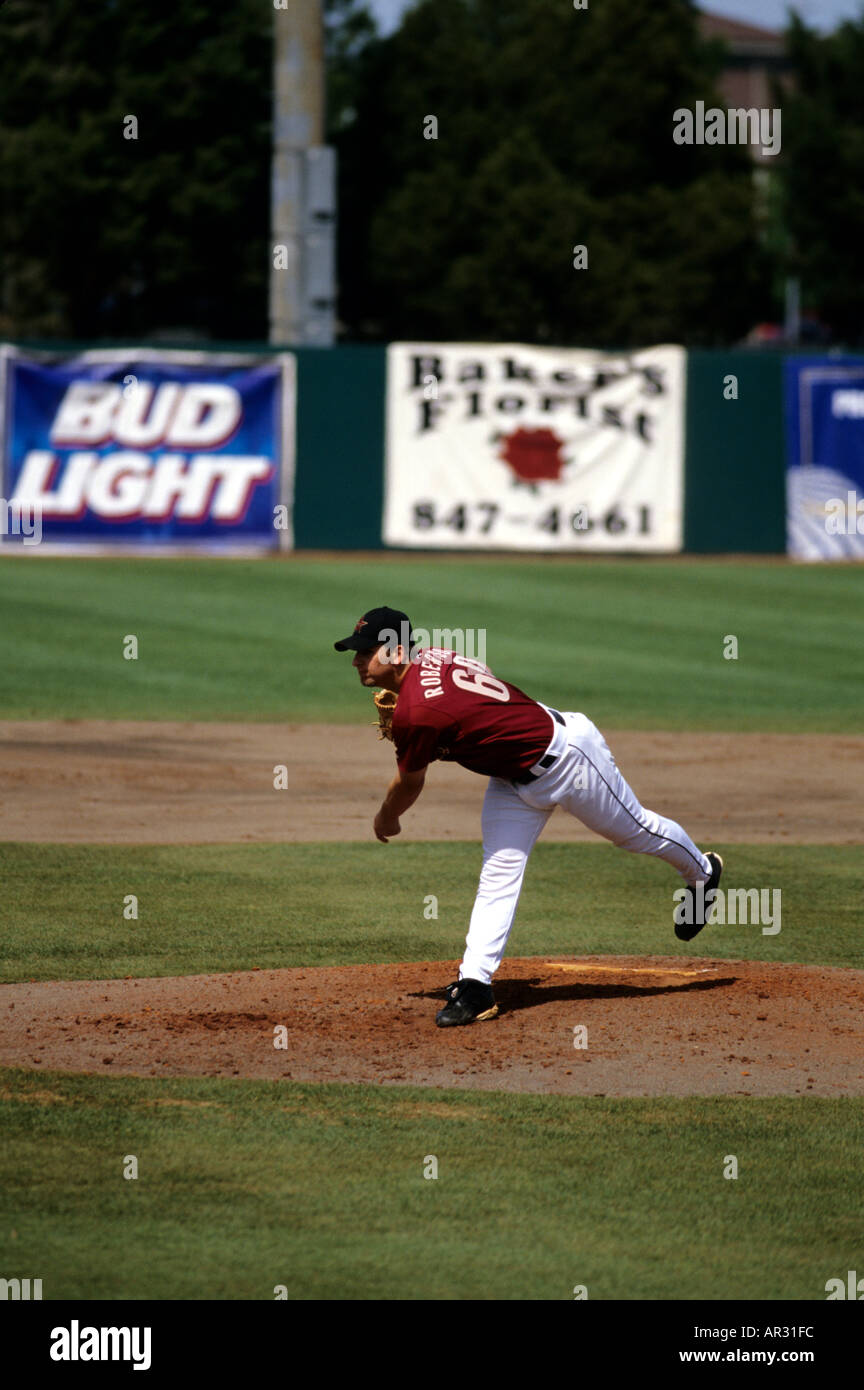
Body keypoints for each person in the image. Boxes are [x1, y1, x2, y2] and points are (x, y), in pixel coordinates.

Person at [335, 606, 723, 1028]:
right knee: (499, 870)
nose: (356, 660)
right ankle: (475, 985)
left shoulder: (417, 714)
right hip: (511, 777)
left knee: (637, 832)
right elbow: (477, 680)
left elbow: (409, 784)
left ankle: (702, 873)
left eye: (365, 651)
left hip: (570, 761)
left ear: (393, 651)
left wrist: (385, 818)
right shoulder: (436, 655)